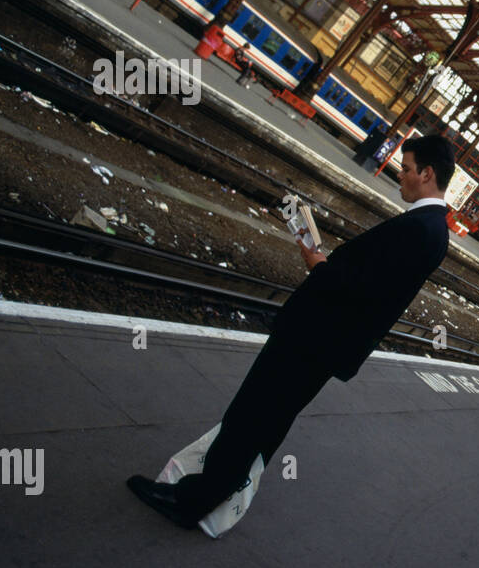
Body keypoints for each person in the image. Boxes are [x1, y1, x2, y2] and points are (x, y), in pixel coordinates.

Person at [126, 135, 456, 530]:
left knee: (250, 414)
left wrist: (317, 264)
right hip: (327, 345)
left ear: (427, 173)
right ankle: (216, 494)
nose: (399, 177)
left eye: (405, 169)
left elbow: (363, 291)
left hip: (312, 338)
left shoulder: (420, 227)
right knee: (268, 420)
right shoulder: (435, 231)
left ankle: (190, 501)